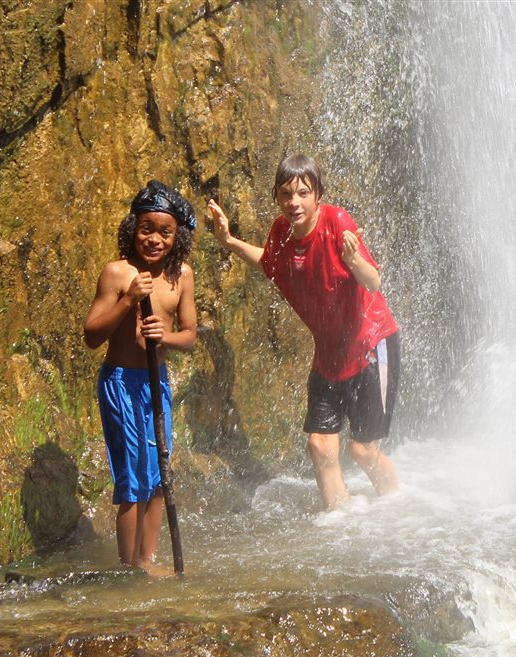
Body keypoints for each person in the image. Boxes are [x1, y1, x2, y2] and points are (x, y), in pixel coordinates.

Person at [206, 154, 400, 510]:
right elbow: (269, 263)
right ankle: (339, 520)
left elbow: (373, 281)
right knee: (319, 445)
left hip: (371, 344)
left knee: (362, 450)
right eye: (286, 194)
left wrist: (353, 259)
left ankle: (397, 506)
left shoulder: (336, 222)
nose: (294, 202)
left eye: (303, 193)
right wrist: (229, 240)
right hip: (330, 354)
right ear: (277, 197)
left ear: (318, 195)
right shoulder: (281, 232)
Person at [83, 180, 197, 571]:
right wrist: (129, 299)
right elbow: (91, 335)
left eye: (165, 232)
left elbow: (190, 336)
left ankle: (148, 561)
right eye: (146, 229)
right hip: (120, 384)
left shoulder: (181, 275)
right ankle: (128, 568)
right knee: (132, 480)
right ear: (133, 229)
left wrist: (164, 336)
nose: (154, 239)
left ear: (177, 237)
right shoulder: (117, 273)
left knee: (157, 475)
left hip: (156, 382)